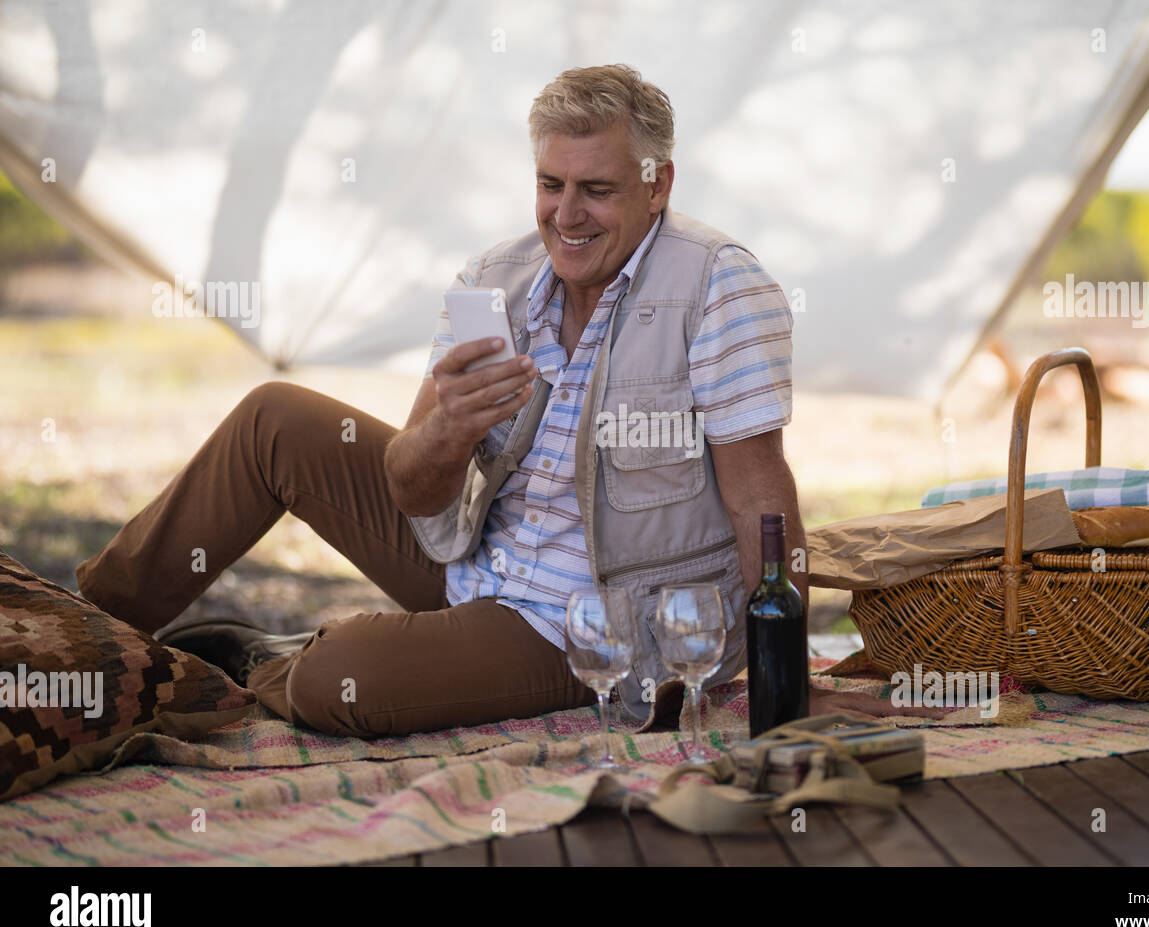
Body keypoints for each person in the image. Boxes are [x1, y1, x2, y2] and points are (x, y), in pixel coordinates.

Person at [75, 63, 806, 738]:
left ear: (658, 184)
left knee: (345, 677)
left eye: (597, 190)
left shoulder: (718, 288)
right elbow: (408, 484)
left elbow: (759, 500)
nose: (567, 215)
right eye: (552, 185)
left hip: (587, 625)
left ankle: (262, 664)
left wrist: (785, 677)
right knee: (273, 418)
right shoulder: (497, 277)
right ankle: (75, 637)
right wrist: (450, 431)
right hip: (468, 555)